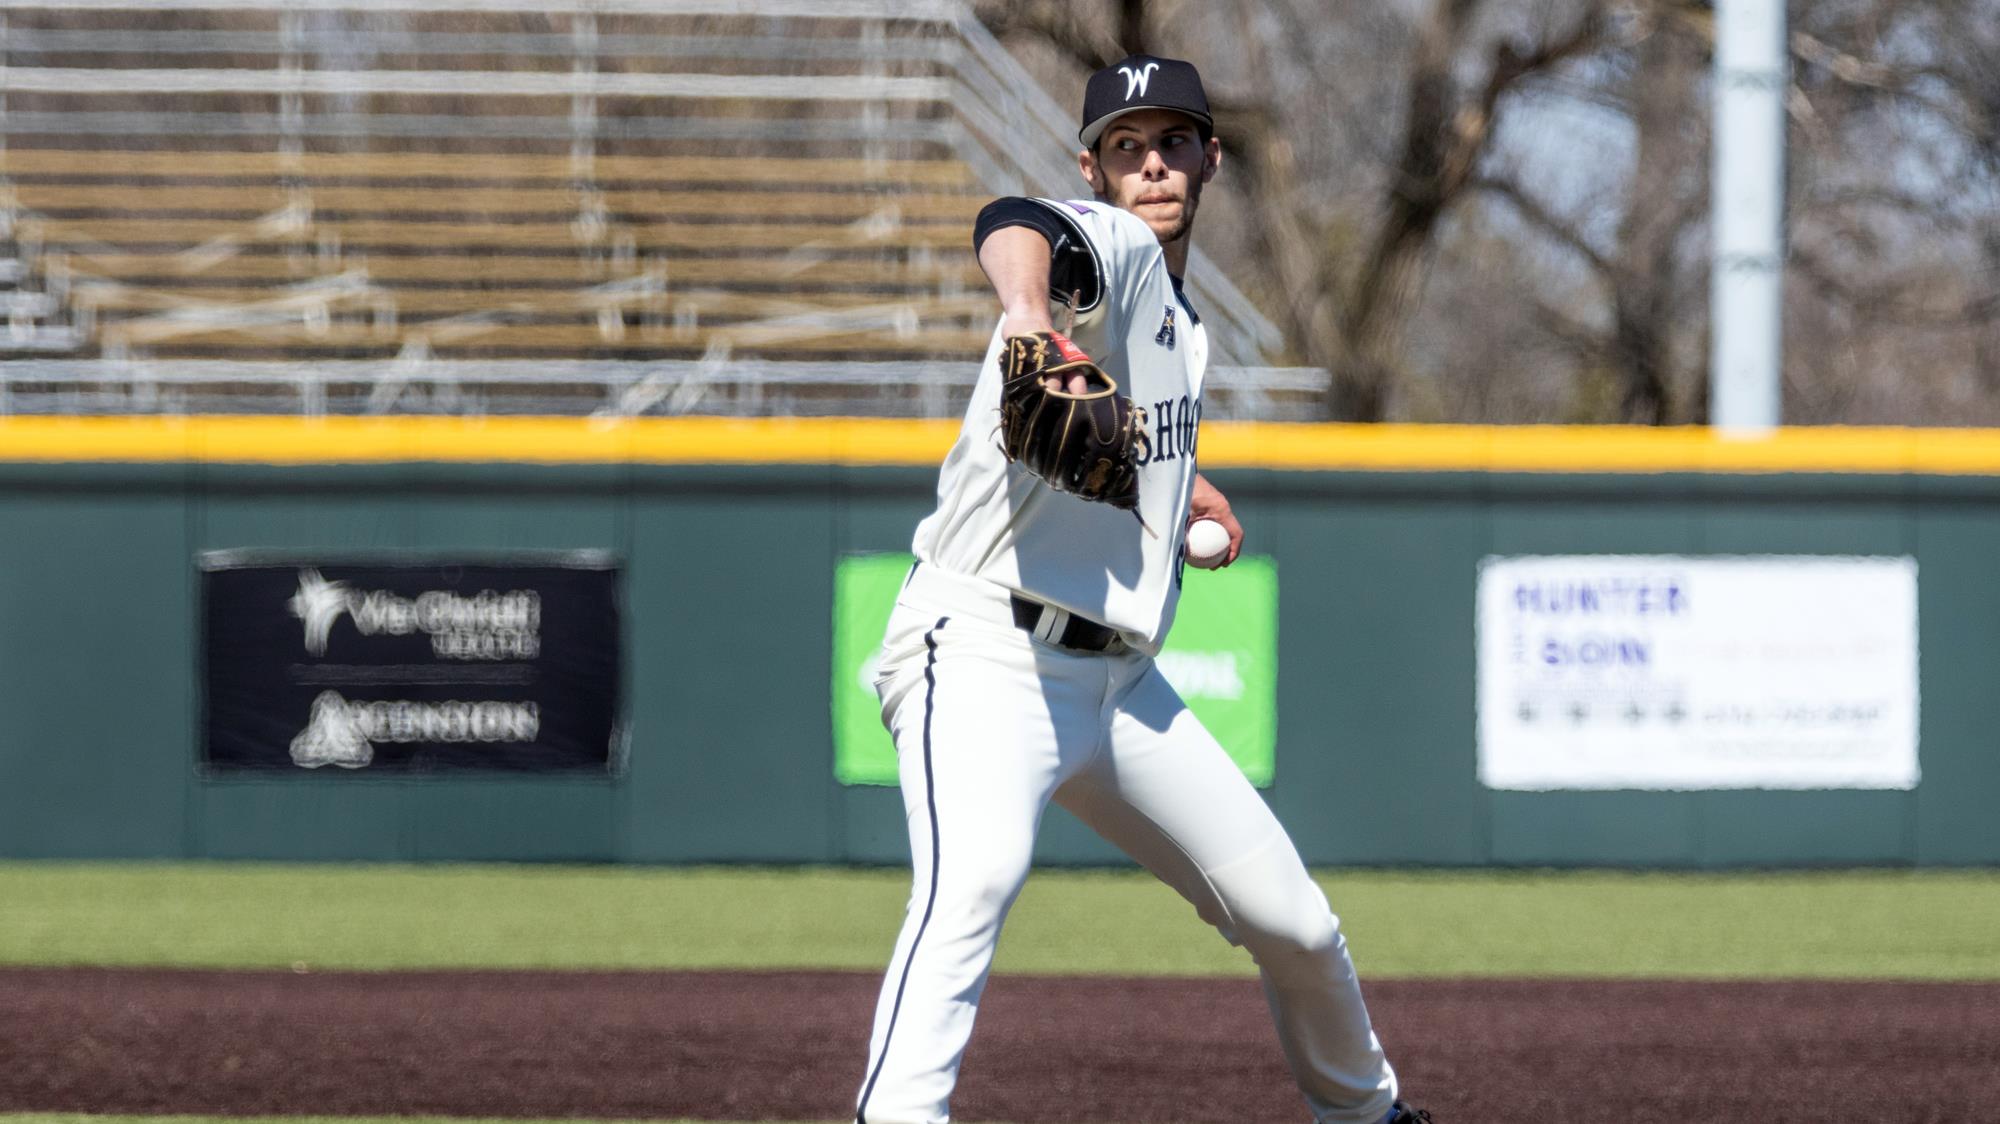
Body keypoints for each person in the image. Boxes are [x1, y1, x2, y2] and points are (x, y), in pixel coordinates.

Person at [853, 54, 1427, 1124]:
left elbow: (1120, 437)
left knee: (1292, 921)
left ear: (1211, 156)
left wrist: (1178, 479)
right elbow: (1014, 219)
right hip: (982, 651)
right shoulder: (1104, 248)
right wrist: (1027, 315)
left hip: (1116, 683)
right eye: (1127, 146)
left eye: (1172, 142)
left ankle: (1370, 1115)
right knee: (968, 886)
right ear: (1094, 166)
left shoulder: (1182, 321)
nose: (1151, 165)